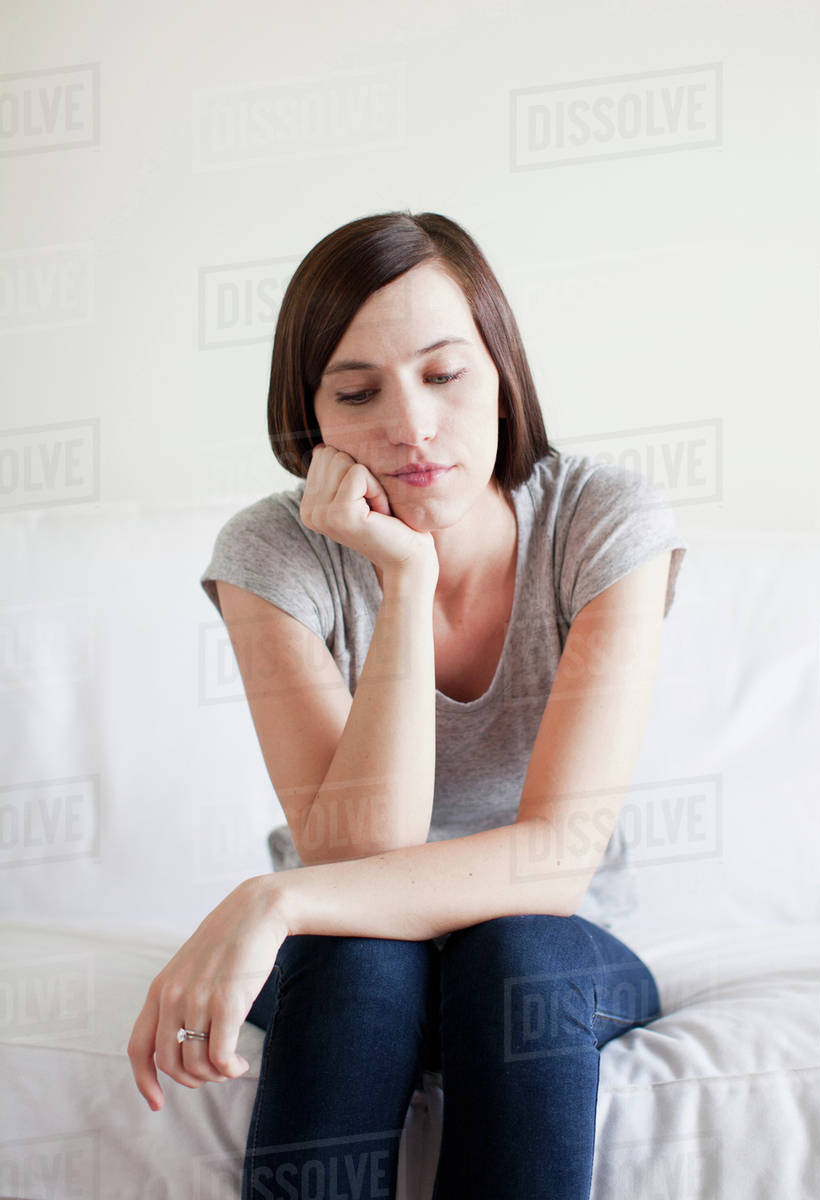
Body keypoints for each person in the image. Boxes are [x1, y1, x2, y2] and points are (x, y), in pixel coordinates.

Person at [128, 210, 688, 1200]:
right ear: (310, 420)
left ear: (503, 374)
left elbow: (554, 865)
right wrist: (403, 580)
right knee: (359, 963)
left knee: (515, 952)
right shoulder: (272, 556)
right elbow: (361, 865)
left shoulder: (603, 522)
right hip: (348, 950)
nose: (412, 427)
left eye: (444, 374)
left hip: (549, 947)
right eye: (358, 391)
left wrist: (276, 897)